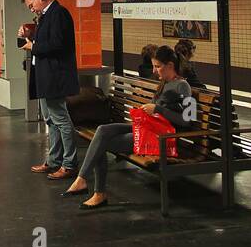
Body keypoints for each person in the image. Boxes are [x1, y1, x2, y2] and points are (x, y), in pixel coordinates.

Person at [63, 45, 194, 210]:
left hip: (161, 137)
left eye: (158, 67)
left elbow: (187, 120)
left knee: (101, 144)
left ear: (170, 65)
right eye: (154, 66)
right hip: (148, 127)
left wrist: (158, 109)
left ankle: (97, 192)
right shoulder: (164, 84)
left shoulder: (183, 86)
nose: (154, 71)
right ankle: (82, 180)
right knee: (103, 130)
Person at [19, 0, 80, 179]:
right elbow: (48, 40)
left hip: (55, 76)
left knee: (61, 119)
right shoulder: (46, 15)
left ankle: (69, 164)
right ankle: (54, 160)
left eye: (31, 5)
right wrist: (30, 35)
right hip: (46, 76)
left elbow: (57, 44)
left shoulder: (59, 13)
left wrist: (33, 47)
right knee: (50, 120)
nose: (32, 9)